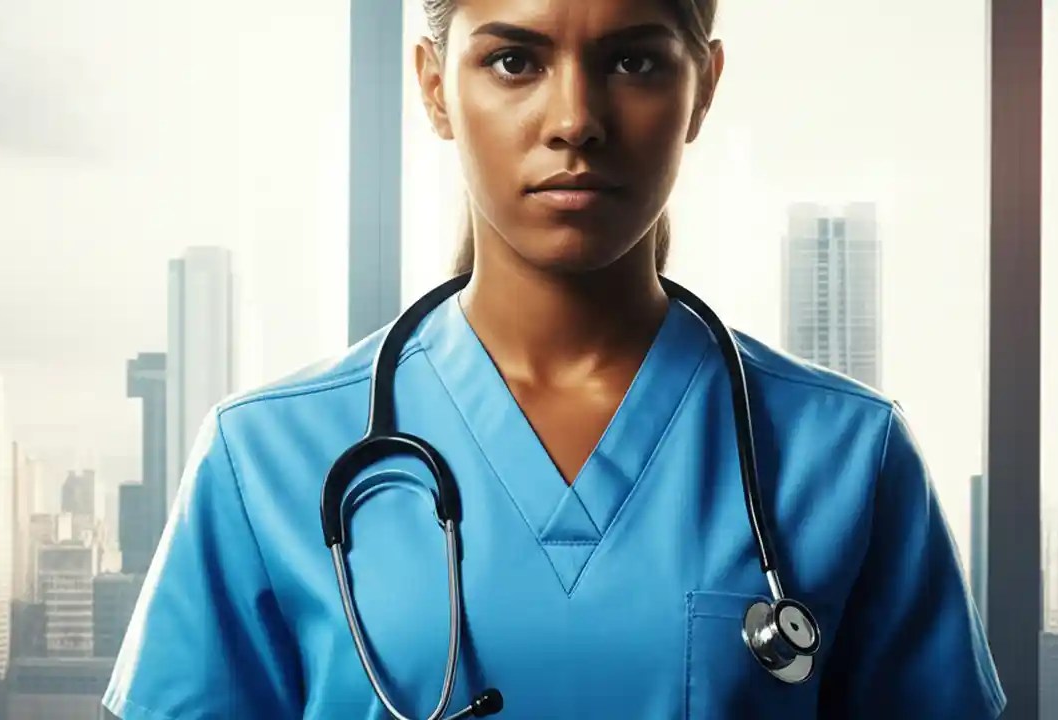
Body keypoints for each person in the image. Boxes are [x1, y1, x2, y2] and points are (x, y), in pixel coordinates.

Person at [102, 0, 1007, 717]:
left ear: (705, 87)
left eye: (634, 61)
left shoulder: (847, 455)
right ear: (431, 86)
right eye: (513, 61)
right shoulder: (266, 458)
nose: (575, 119)